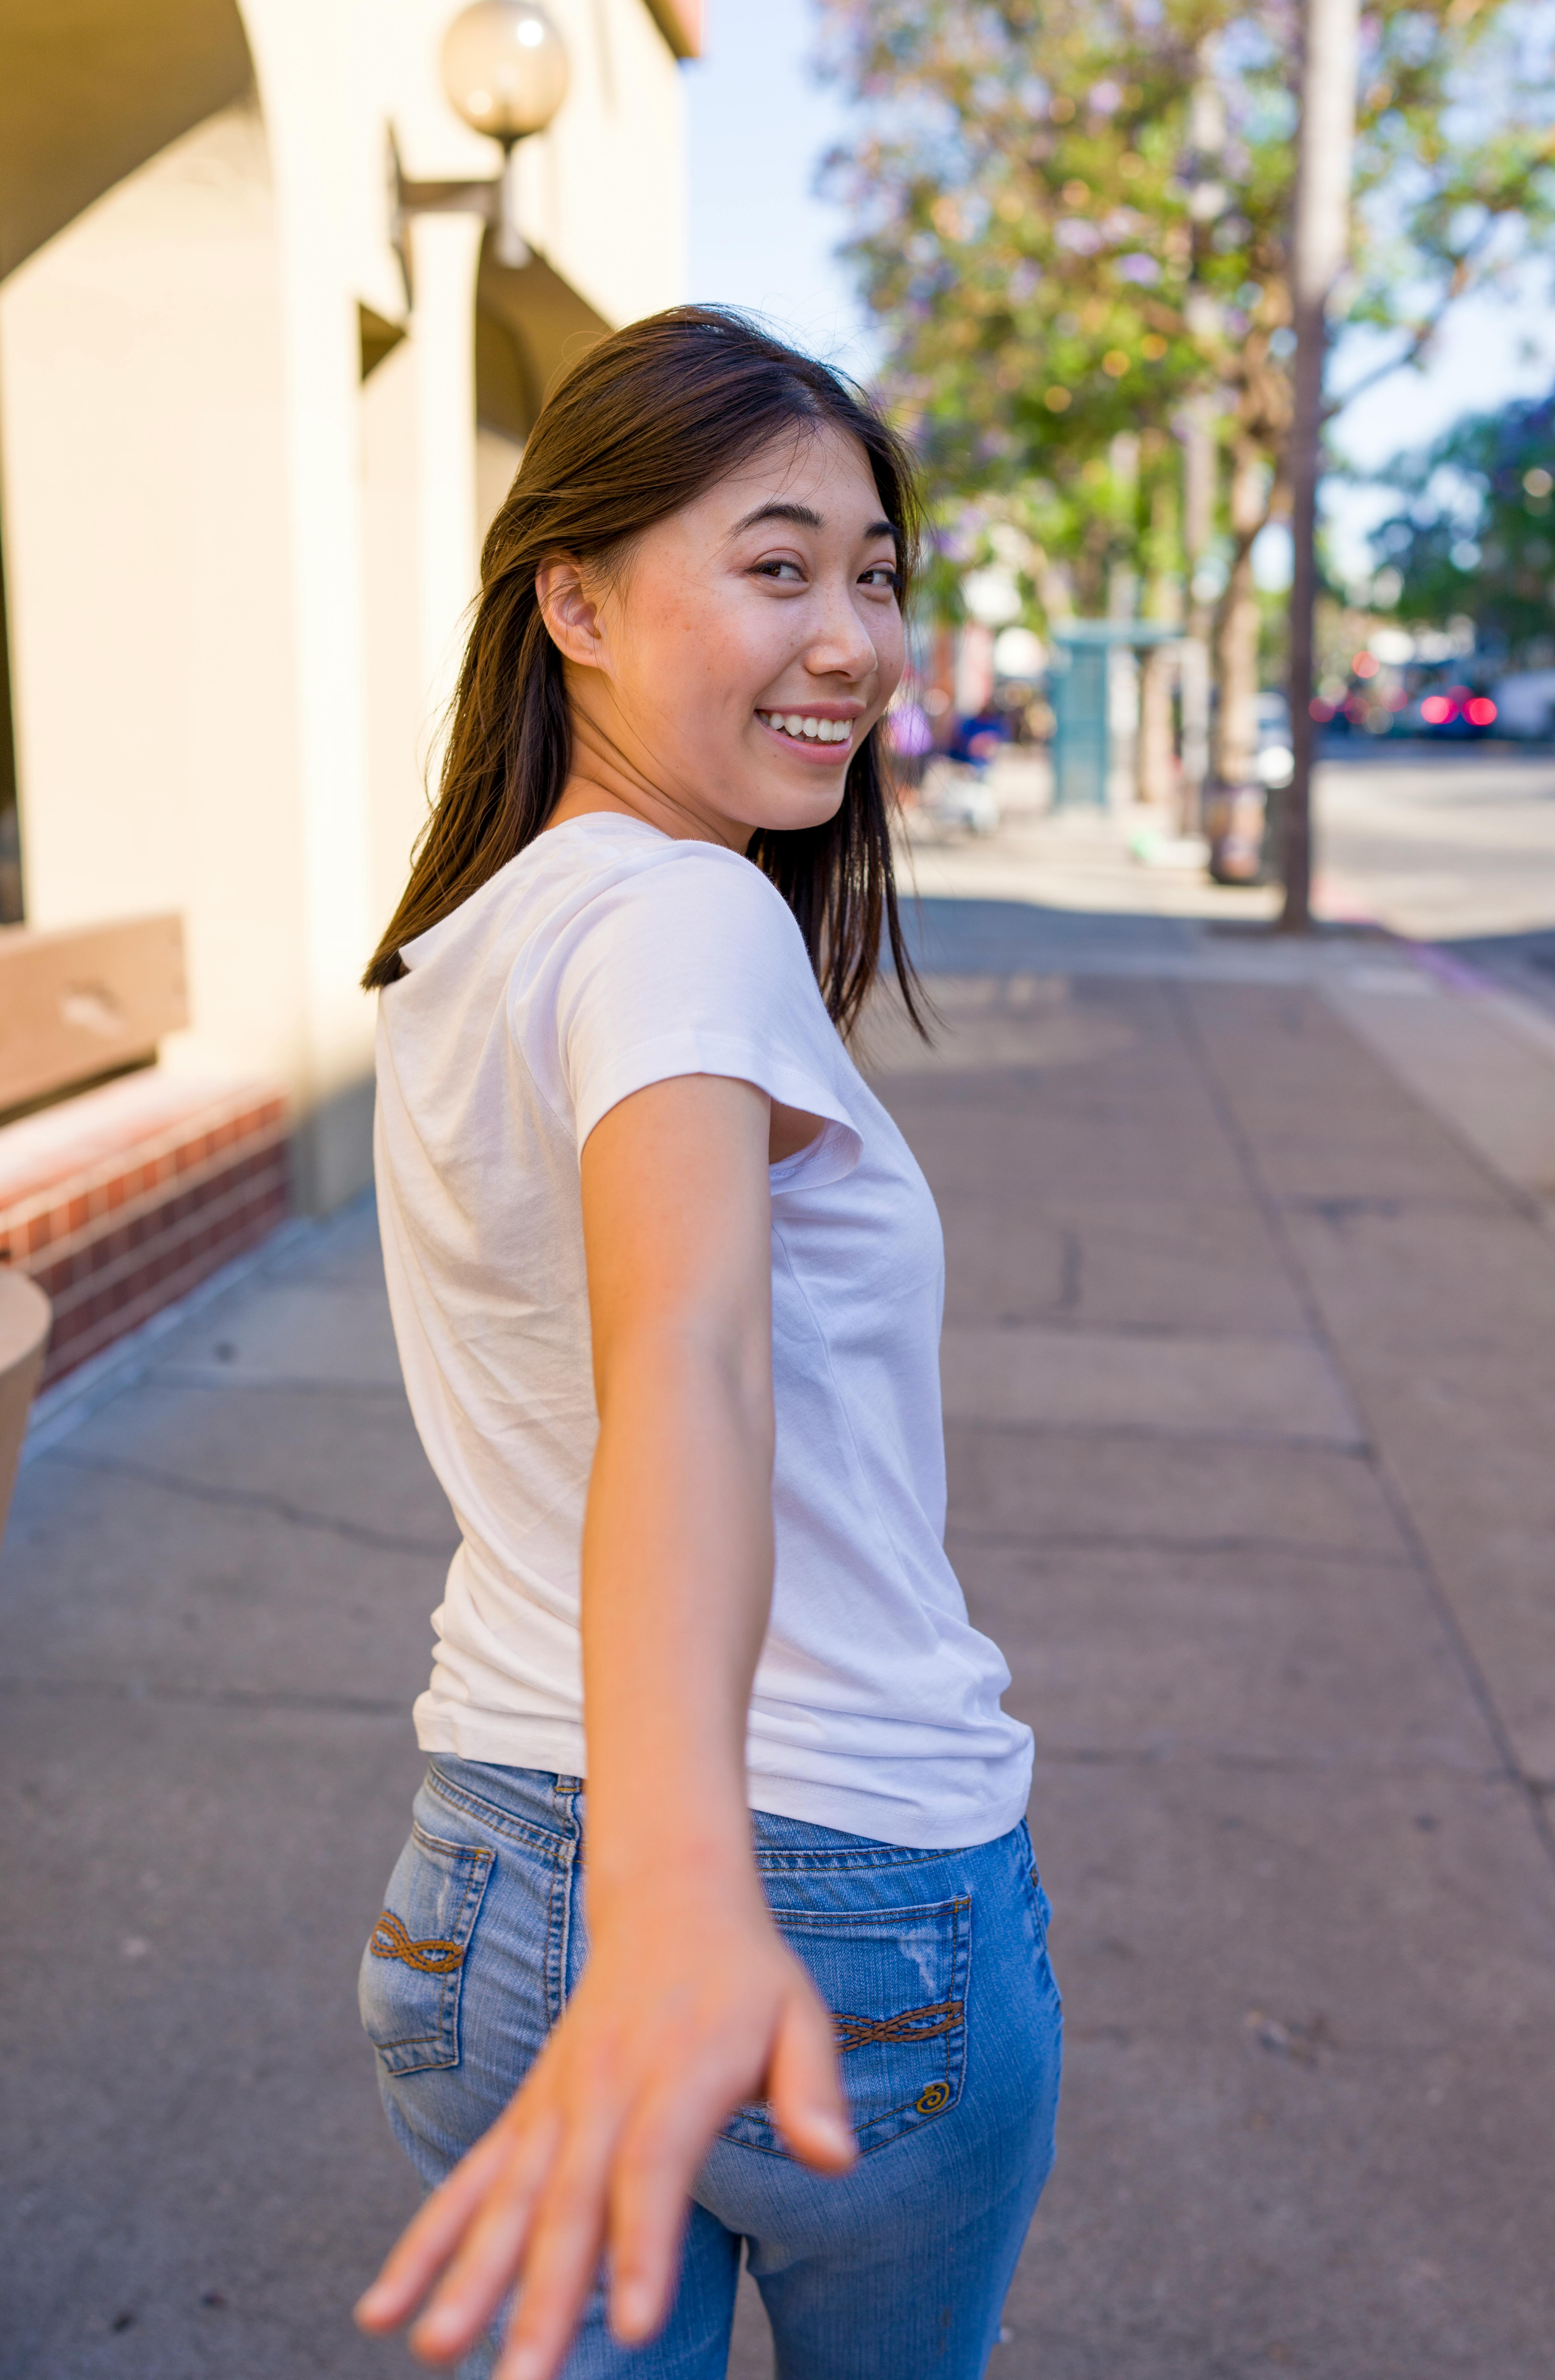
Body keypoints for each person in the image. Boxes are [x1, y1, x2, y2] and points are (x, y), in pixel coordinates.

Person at [352, 307, 1060, 2380]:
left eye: (876, 574)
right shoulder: (685, 918)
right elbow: (691, 1362)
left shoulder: (466, 946)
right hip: (824, 1895)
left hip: (483, 1865)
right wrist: (677, 1896)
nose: (852, 637)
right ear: (571, 598)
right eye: (776, 567)